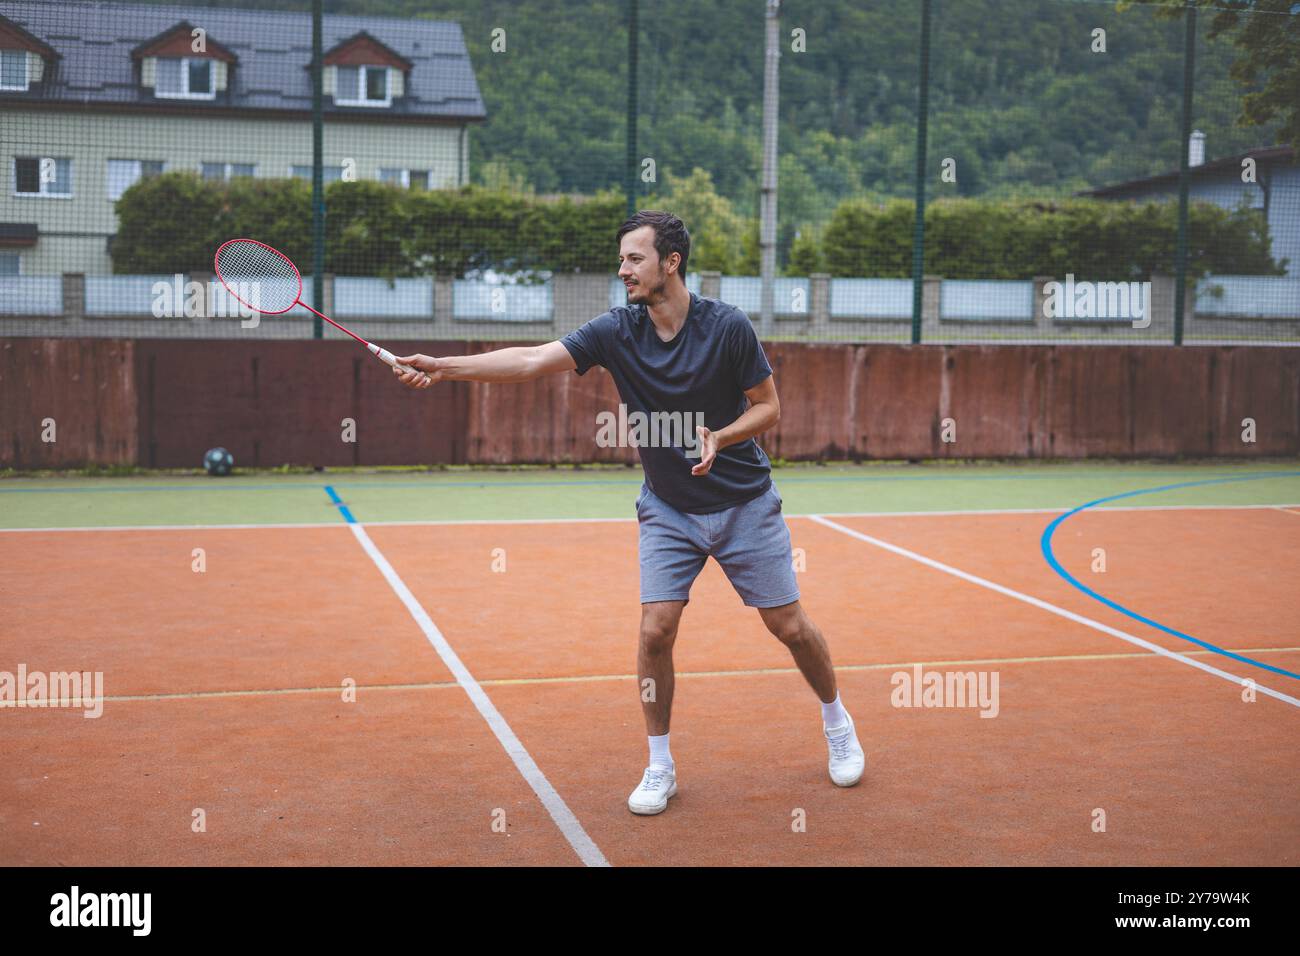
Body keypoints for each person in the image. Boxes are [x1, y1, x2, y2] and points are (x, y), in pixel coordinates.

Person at [392, 210, 864, 815]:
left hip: (745, 504)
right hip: (669, 508)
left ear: (672, 262)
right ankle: (660, 764)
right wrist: (445, 367)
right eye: (621, 259)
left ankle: (836, 722)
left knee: (790, 628)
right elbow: (534, 359)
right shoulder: (617, 331)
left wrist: (722, 435)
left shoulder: (727, 328)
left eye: (634, 259)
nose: (623, 270)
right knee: (654, 631)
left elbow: (769, 408)